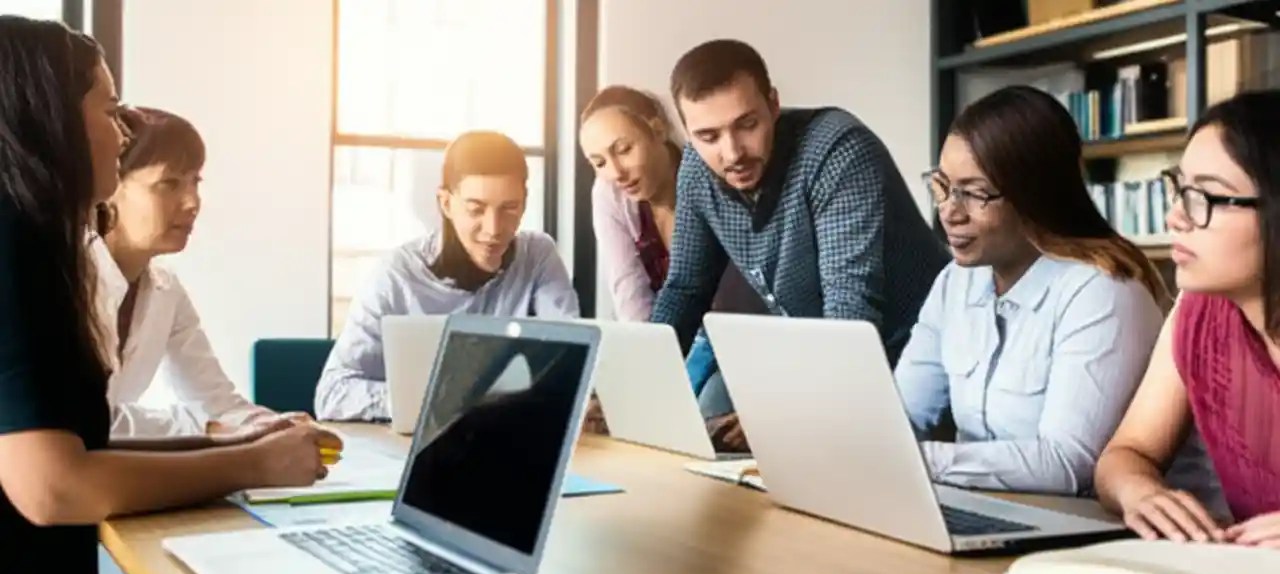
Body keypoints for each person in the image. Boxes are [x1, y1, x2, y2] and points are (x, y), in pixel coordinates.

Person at [0, 16, 333, 574]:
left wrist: (241, 442)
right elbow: (52, 487)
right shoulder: (15, 250)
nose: (121, 132)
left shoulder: (40, 246)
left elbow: (79, 447)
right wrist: (252, 465)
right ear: (51, 117)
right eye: (108, 108)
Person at [894, 86, 1168, 495]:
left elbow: (1067, 462)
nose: (950, 211)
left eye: (974, 192)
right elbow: (901, 414)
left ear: (1033, 196)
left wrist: (920, 461)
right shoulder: (956, 281)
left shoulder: (1102, 291)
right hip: (989, 508)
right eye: (944, 186)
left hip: (1082, 527)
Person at [650, 39, 949, 370]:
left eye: (747, 124)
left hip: (918, 347)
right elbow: (685, 289)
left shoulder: (838, 150)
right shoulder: (696, 167)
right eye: (708, 137)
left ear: (774, 105)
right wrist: (637, 377)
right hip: (812, 349)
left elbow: (849, 315)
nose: (733, 153)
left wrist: (782, 409)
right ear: (689, 135)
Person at [1096, 90, 1280, 545]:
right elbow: (1126, 453)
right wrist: (1141, 492)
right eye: (1179, 189)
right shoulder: (1197, 315)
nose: (1175, 216)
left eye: (1207, 196)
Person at [316, 131, 580, 421]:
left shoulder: (538, 255)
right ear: (446, 203)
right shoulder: (396, 276)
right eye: (476, 209)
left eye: (509, 208)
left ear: (524, 203)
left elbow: (569, 361)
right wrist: (436, 401)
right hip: (410, 447)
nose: (494, 229)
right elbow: (333, 394)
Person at [578, 85, 767, 427]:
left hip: (738, 340)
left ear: (657, 130)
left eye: (624, 149)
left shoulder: (710, 179)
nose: (616, 172)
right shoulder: (609, 193)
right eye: (599, 162)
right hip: (669, 339)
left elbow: (744, 299)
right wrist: (636, 386)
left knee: (708, 413)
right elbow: (630, 294)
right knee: (610, 407)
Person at [93, 107, 281, 438]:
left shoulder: (166, 290)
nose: (192, 202)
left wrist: (273, 427)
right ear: (111, 188)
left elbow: (216, 403)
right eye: (169, 184)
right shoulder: (66, 280)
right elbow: (83, 423)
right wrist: (207, 428)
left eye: (195, 182)